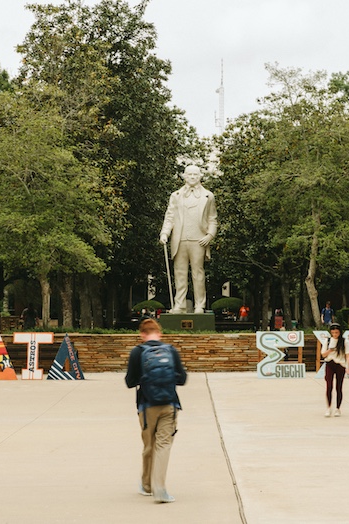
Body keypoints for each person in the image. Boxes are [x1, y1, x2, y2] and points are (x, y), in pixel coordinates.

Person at [124, 319, 187, 503]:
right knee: (163, 445)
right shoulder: (171, 350)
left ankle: (147, 485)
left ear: (142, 334)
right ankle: (159, 487)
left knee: (149, 446)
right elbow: (182, 379)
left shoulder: (138, 352)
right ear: (159, 333)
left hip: (146, 406)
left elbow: (129, 382)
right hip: (170, 404)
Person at [159, 165, 218, 314]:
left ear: (200, 177)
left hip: (199, 240)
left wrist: (210, 235)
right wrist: (165, 233)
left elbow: (213, 219)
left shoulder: (208, 196)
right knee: (179, 273)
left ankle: (200, 305)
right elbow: (170, 216)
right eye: (189, 174)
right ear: (184, 176)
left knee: (198, 274)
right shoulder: (176, 195)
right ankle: (180, 305)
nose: (192, 177)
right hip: (180, 240)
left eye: (195, 174)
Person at [320, 323, 349, 417]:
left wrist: (348, 367)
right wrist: (330, 350)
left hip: (340, 364)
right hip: (330, 363)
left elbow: (347, 355)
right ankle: (328, 407)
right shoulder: (327, 341)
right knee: (329, 386)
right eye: (333, 332)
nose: (335, 334)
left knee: (339, 387)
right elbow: (323, 354)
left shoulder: (344, 342)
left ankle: (338, 408)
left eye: (337, 332)